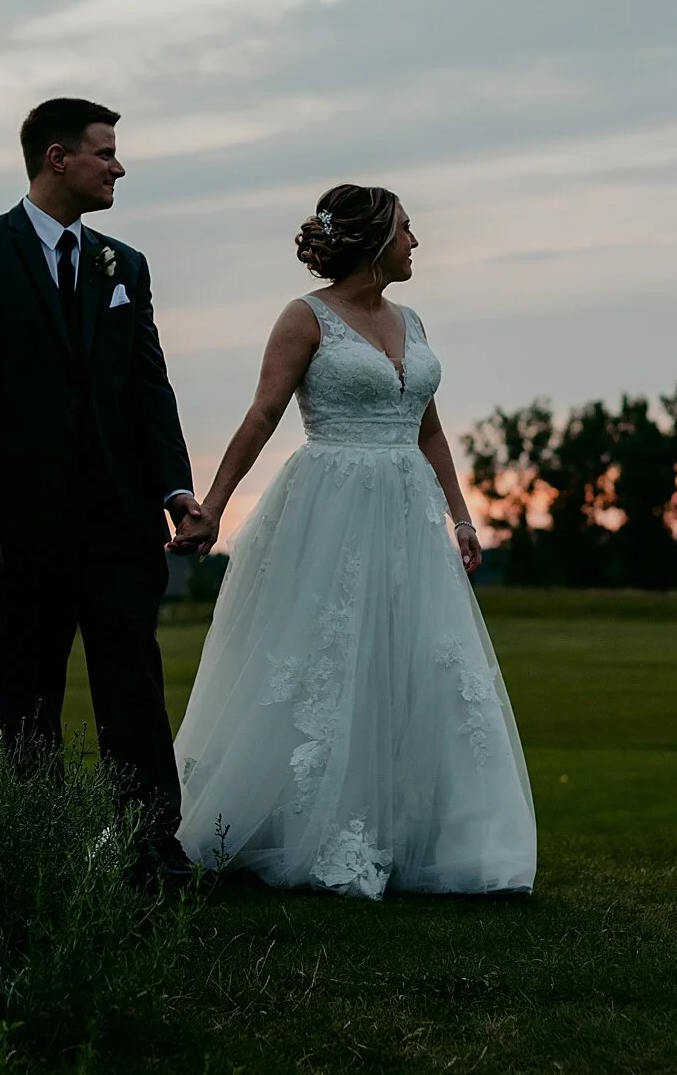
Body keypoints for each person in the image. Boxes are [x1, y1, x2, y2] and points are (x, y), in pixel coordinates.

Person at [167, 185, 537, 898]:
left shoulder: (412, 318)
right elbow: (263, 413)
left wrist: (460, 515)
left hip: (409, 512)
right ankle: (296, 824)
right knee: (319, 659)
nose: (416, 242)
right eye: (406, 229)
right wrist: (212, 506)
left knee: (421, 662)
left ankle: (425, 835)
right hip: (329, 505)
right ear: (373, 240)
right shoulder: (305, 318)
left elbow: (428, 428)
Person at [0, 97, 204, 881]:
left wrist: (177, 489)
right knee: (32, 685)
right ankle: (33, 845)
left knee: (133, 687)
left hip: (119, 517)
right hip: (20, 518)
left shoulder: (126, 265)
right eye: (104, 152)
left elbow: (149, 385)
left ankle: (152, 846)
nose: (118, 166)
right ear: (56, 158)